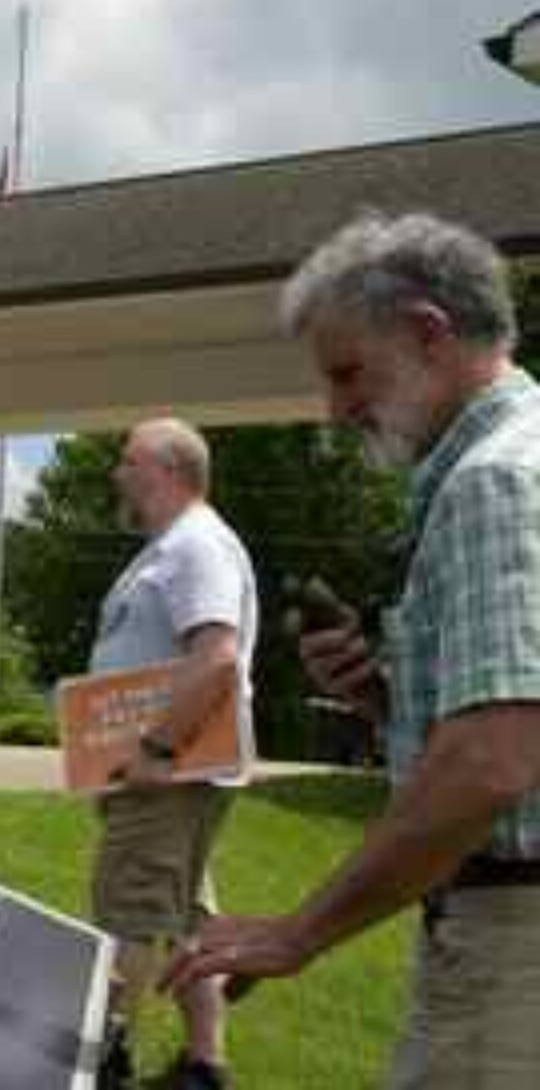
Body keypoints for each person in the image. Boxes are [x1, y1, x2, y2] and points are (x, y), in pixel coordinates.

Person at [162, 212, 540, 1087]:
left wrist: (299, 932)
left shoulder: (496, 481)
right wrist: (390, 704)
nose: (334, 408)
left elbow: (492, 763)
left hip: (512, 951)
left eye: (346, 373)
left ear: (428, 334)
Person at [92, 418, 258, 1090]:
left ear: (165, 470)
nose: (116, 475)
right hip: (175, 773)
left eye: (126, 461)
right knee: (186, 914)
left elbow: (215, 657)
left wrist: (156, 749)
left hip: (170, 776)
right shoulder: (175, 546)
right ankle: (205, 1065)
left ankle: (105, 1058)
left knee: (126, 910)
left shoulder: (197, 546)